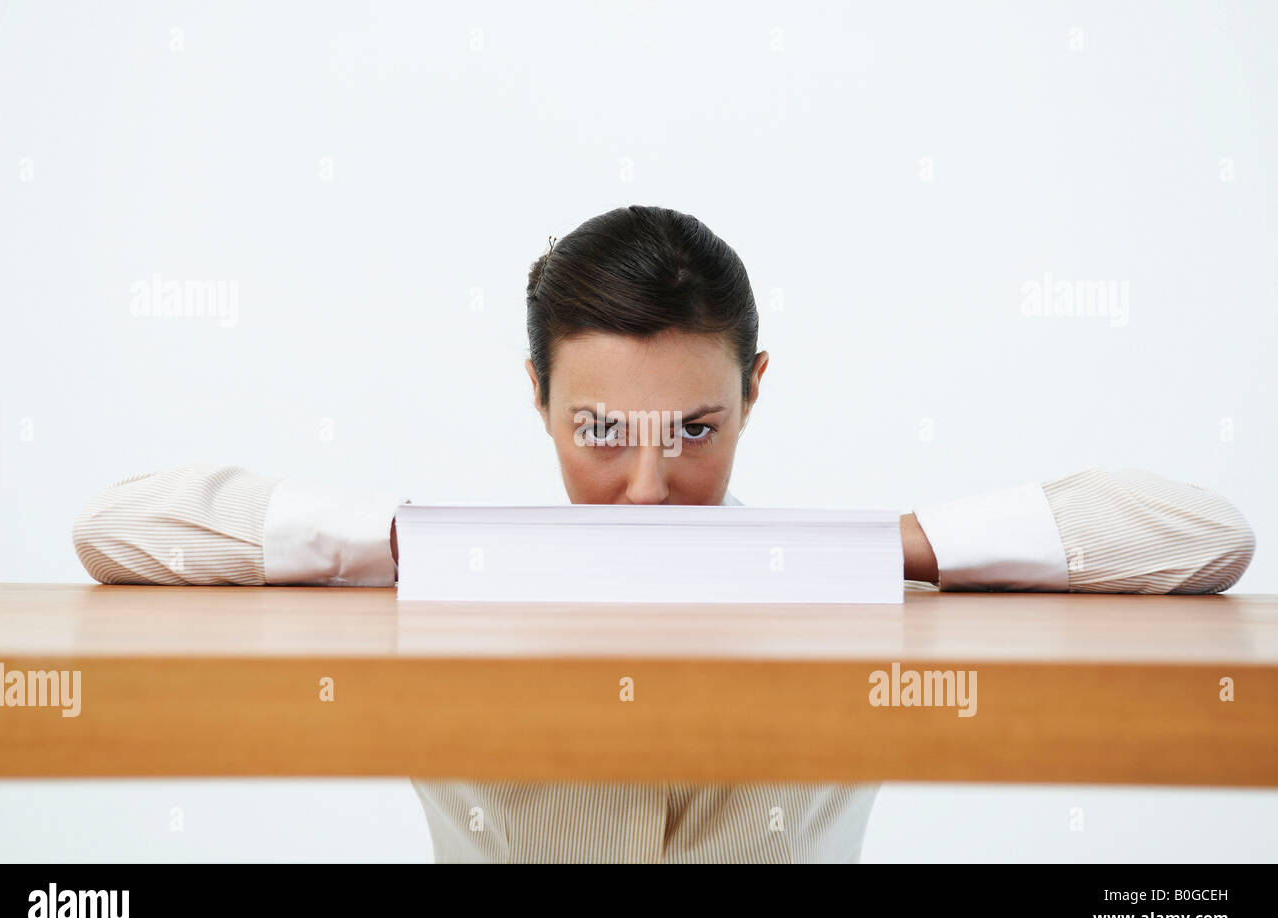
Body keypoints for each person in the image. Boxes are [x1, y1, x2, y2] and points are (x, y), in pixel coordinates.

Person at [71, 205, 1256, 862]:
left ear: (755, 393)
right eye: (598, 429)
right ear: (534, 396)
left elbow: (1203, 539)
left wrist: (889, 550)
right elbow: (115, 528)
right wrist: (404, 540)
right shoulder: (429, 589)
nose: (647, 486)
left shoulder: (860, 586)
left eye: (696, 427)